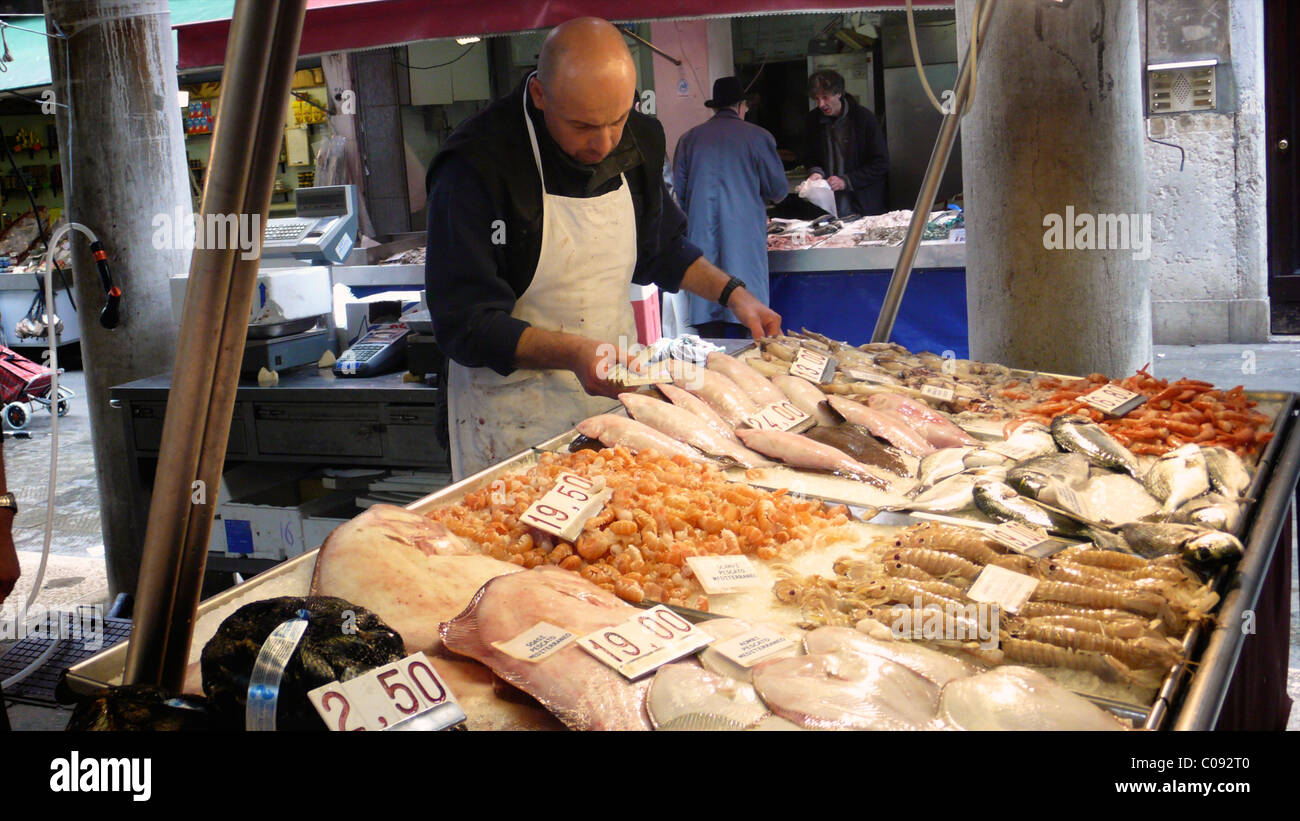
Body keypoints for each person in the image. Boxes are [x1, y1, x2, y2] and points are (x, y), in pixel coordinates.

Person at [424, 18, 782, 479]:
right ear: (539, 95)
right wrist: (575, 352)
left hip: (613, 399)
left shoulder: (640, 138)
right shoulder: (474, 164)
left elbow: (660, 246)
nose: (604, 142)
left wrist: (735, 294)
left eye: (617, 119)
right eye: (583, 126)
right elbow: (463, 322)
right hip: (508, 419)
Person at [672, 77, 788, 340]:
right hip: (745, 248)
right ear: (742, 106)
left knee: (708, 333)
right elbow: (779, 191)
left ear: (715, 107)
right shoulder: (758, 137)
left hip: (700, 247)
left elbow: (678, 192)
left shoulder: (689, 139)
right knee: (750, 323)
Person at [803, 69, 890, 217]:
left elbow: (881, 163)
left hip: (863, 205)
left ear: (839, 93)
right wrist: (816, 172)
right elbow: (809, 155)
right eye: (816, 99)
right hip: (827, 208)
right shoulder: (813, 121)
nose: (820, 104)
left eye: (825, 97)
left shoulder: (864, 119)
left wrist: (847, 181)